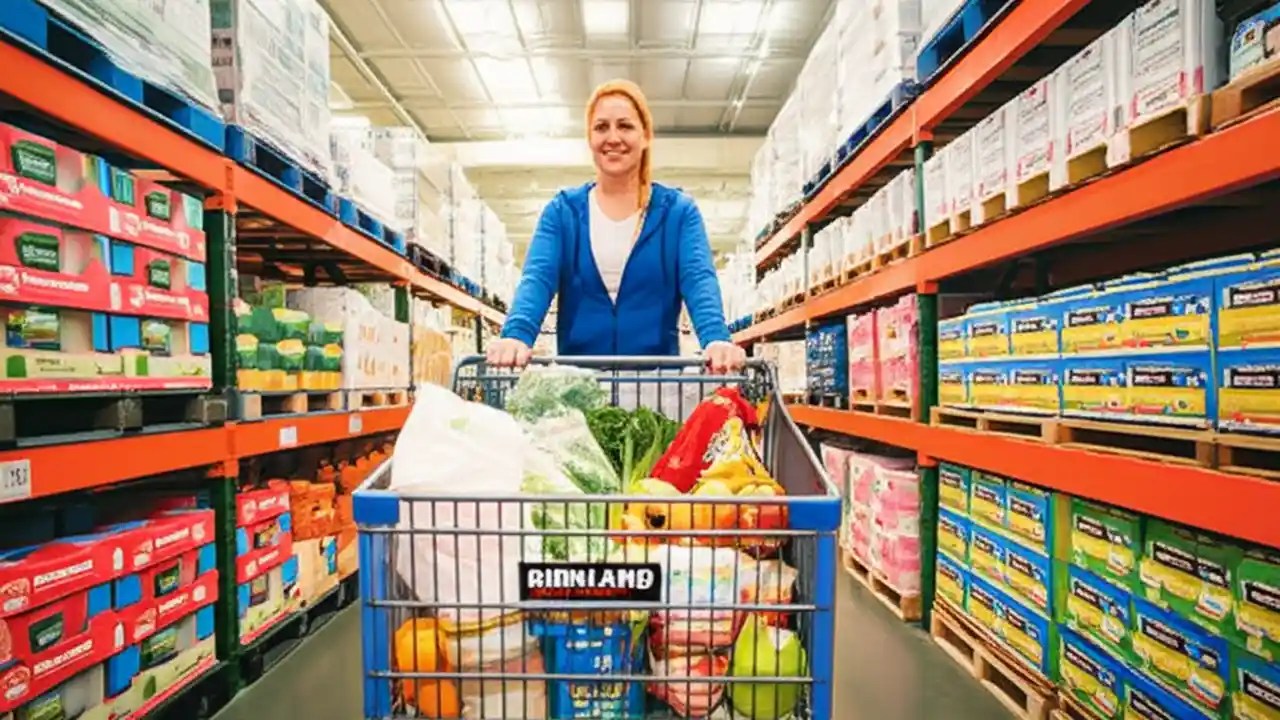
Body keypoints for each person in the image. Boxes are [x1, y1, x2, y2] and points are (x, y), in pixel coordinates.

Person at [485, 79, 747, 374]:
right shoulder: (562, 212)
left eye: (625, 126)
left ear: (646, 135)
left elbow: (698, 278)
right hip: (579, 389)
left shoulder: (677, 212)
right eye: (601, 127)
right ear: (589, 138)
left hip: (656, 388)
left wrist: (715, 339)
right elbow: (538, 277)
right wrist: (516, 335)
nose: (613, 137)